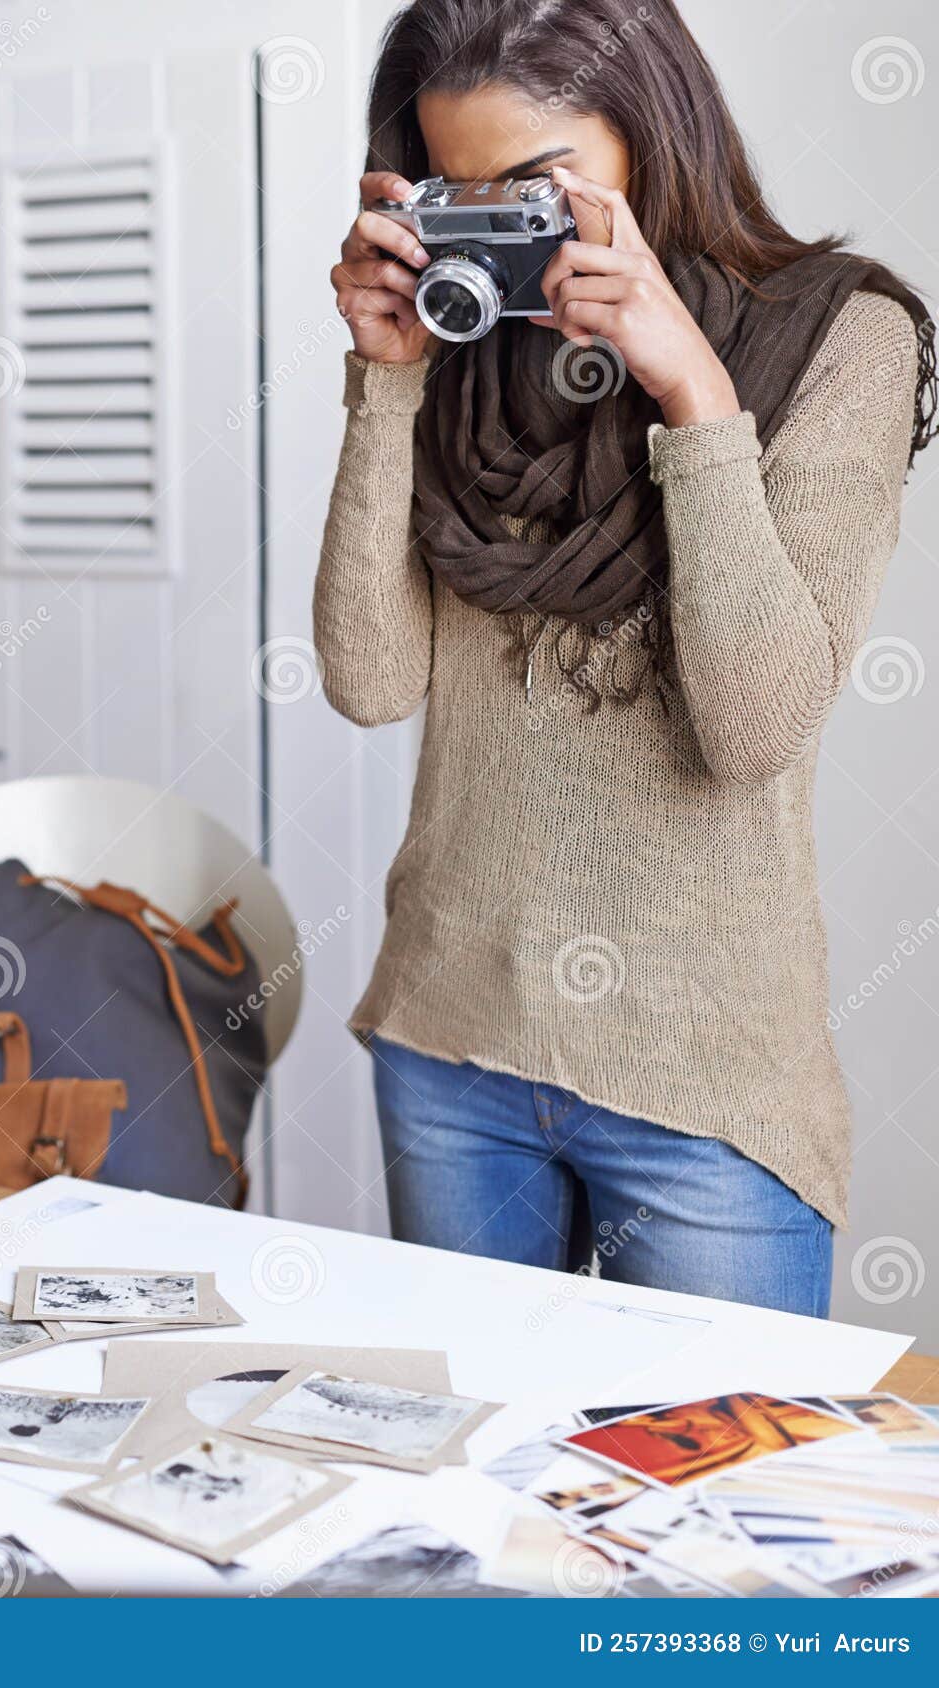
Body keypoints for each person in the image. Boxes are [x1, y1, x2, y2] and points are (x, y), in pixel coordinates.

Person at [314, 0, 937, 1315]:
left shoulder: (843, 337)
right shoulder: (463, 352)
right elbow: (370, 682)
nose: (503, 231)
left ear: (654, 135)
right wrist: (385, 382)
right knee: (476, 1497)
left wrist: (696, 393)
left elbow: (753, 725)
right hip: (450, 1039)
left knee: (715, 1514)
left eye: (539, 187)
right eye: (459, 193)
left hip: (701, 1080)